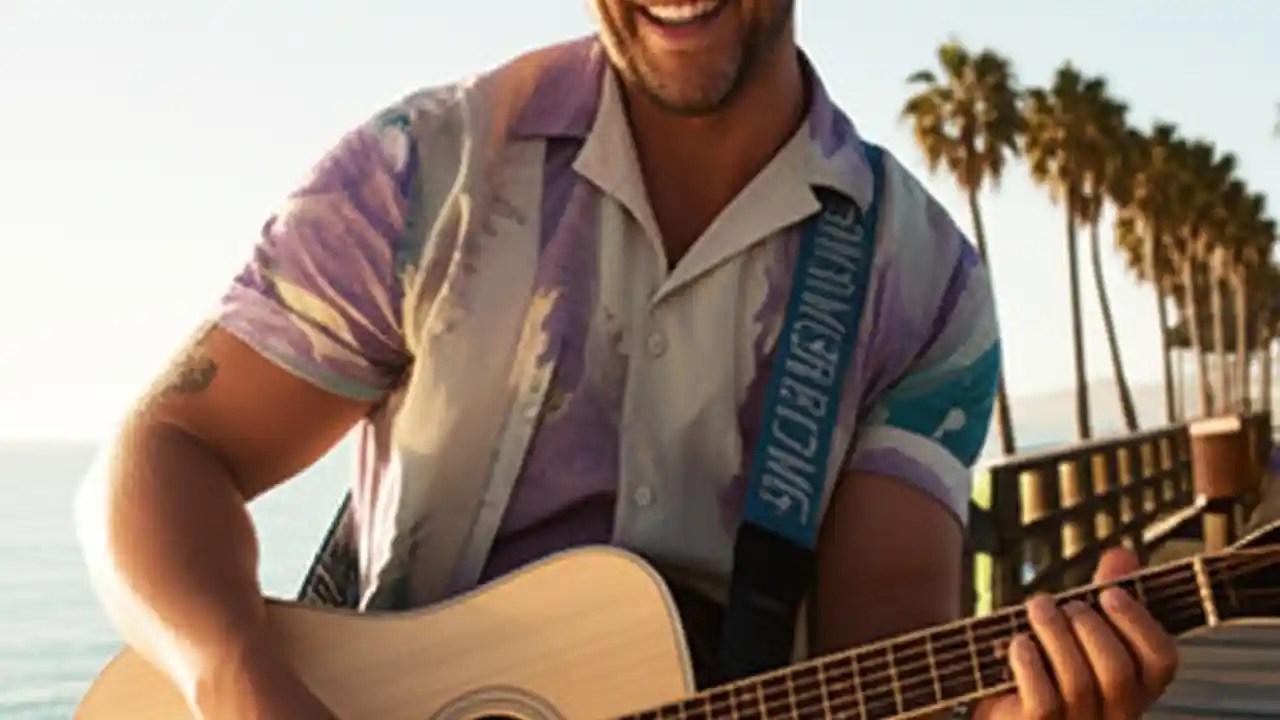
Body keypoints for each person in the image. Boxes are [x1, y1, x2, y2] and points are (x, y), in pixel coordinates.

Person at [76, 2, 1179, 718]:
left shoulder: (922, 281)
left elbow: (887, 661)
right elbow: (165, 450)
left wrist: (1021, 709)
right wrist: (237, 680)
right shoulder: (430, 173)